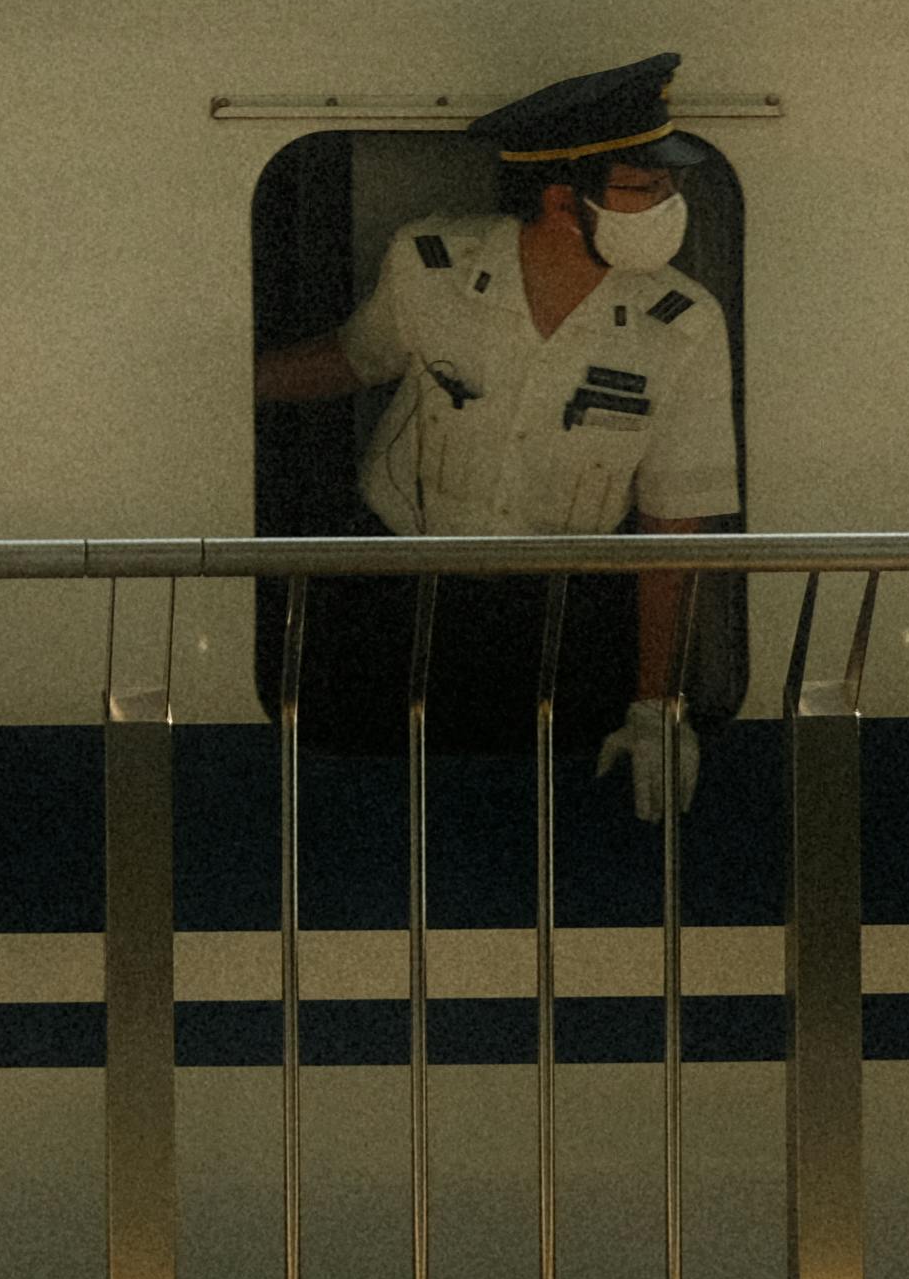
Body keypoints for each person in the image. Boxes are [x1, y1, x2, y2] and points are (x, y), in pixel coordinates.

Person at [253, 53, 741, 819]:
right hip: (400, 595)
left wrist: (656, 705)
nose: (667, 207)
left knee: (543, 819)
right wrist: (224, 388)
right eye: (644, 189)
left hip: (564, 619)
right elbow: (354, 360)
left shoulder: (682, 326)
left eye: (668, 187)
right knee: (380, 813)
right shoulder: (430, 267)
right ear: (562, 199)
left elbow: (672, 523)